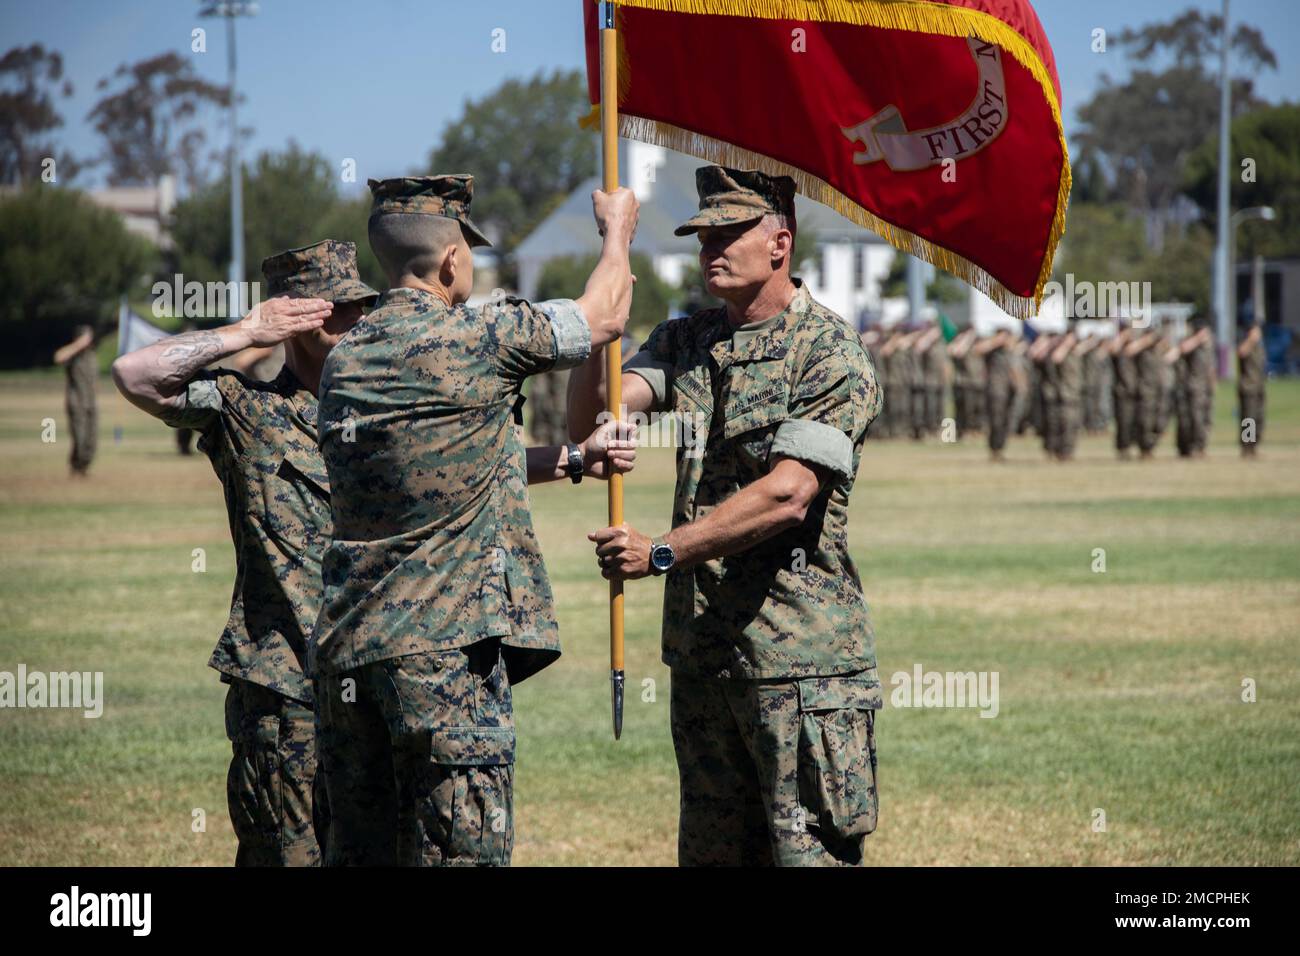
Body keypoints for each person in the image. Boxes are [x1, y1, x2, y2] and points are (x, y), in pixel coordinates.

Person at [311, 174, 639, 867]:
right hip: (443, 661)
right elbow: (604, 314)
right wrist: (617, 231)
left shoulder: (344, 361)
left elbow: (447, 468)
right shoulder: (482, 339)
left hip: (350, 658)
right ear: (453, 261)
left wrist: (577, 457)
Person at [569, 166, 882, 867]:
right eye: (703, 232)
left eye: (730, 231)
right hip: (706, 659)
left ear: (780, 241)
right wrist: (609, 271)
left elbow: (789, 493)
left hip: (799, 668)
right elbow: (596, 414)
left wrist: (662, 553)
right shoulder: (687, 340)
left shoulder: (829, 352)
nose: (711, 246)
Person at [112, 239, 378, 865]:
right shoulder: (245, 409)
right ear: (298, 317)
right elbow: (134, 375)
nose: (351, 321)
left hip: (374, 684)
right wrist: (246, 331)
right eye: (335, 308)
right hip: (284, 693)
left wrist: (576, 461)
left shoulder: (382, 412)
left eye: (356, 307)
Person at [53, 324, 98, 476]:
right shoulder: (72, 355)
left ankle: (83, 469)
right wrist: (78, 345)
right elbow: (58, 357)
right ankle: (76, 468)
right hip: (76, 402)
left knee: (91, 440)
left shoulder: (91, 355)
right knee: (79, 438)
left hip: (91, 403)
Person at [979, 329, 1014, 461]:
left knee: (1005, 421)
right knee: (996, 421)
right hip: (996, 391)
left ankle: (1000, 448)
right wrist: (996, 341)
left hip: (1009, 391)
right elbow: (978, 350)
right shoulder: (992, 351)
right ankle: (995, 450)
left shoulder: (1010, 352)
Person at [1110, 321, 1138, 460]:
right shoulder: (1118, 347)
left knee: (1136, 421)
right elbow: (1112, 349)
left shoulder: (1135, 346)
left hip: (1137, 390)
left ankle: (1134, 446)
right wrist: (1121, 338)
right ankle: (1123, 448)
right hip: (1123, 391)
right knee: (1124, 421)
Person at [1237, 322, 1266, 458]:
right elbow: (1241, 352)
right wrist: (1251, 339)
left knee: (1258, 418)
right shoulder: (1246, 343)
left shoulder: (1259, 348)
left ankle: (1254, 446)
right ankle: (1247, 448)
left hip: (1258, 387)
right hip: (1248, 387)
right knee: (1249, 420)